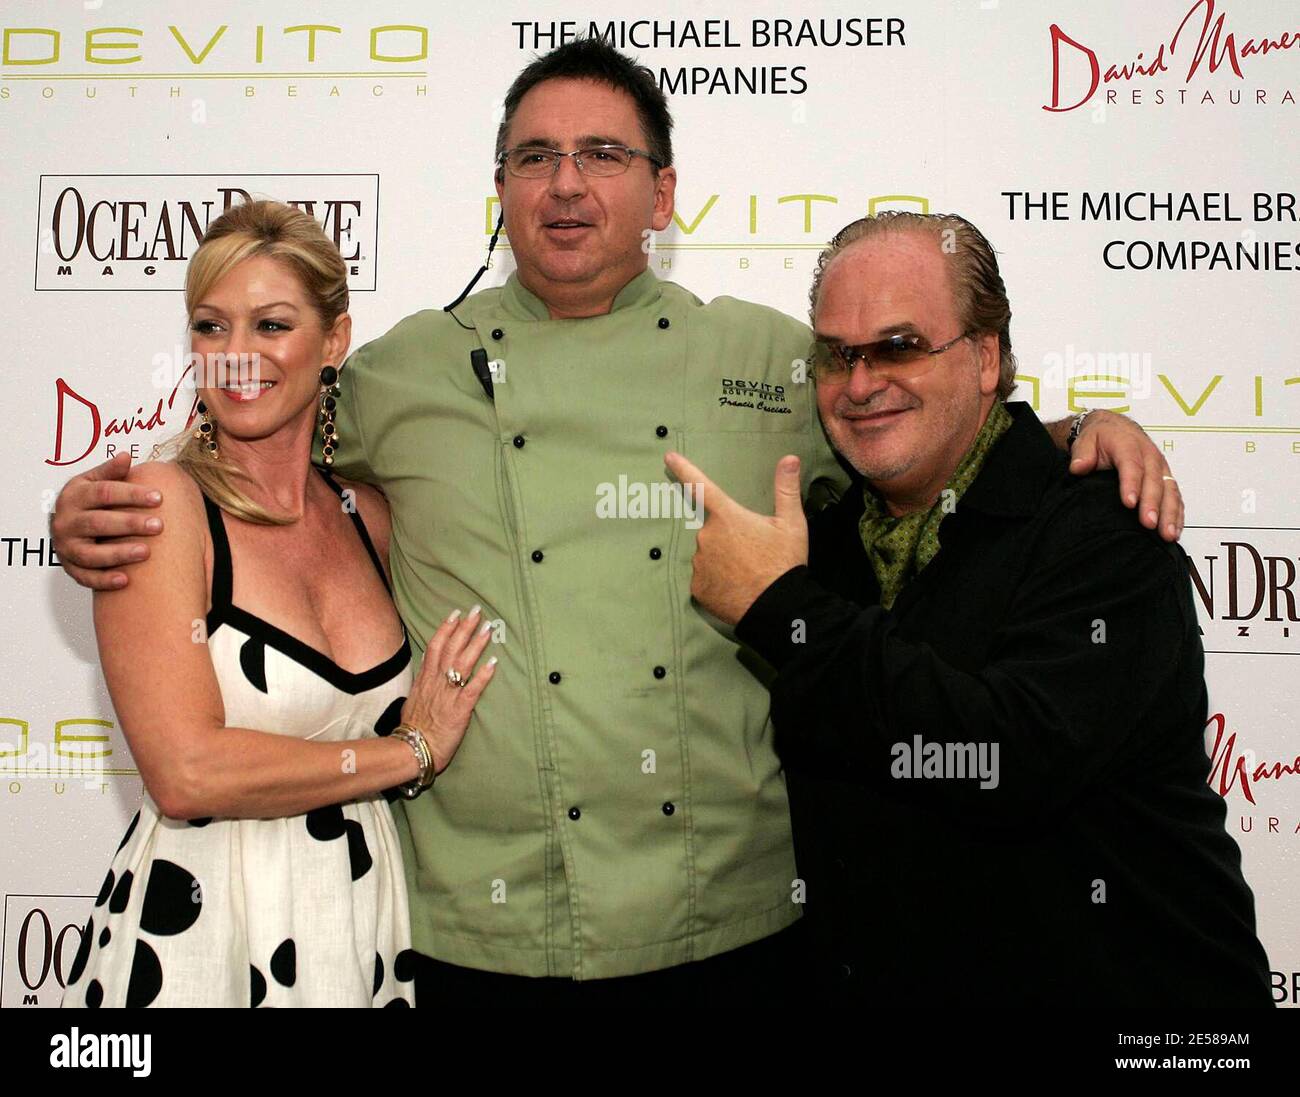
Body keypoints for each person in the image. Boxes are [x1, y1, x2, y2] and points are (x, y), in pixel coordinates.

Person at [51, 39, 1183, 1005]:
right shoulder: (401, 372)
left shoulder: (761, 356)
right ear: (497, 188)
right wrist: (83, 504)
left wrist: (1086, 422)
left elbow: (905, 399)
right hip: (471, 934)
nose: (565, 184)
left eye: (603, 154)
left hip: (730, 928)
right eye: (533, 157)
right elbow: (259, 464)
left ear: (665, 190)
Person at [665, 210, 1272, 1006]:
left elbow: (1005, 758)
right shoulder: (830, 540)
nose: (858, 383)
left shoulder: (1104, 527)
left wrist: (782, 607)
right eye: (835, 354)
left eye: (899, 346)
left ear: (986, 356)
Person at [60, 200, 496, 1007]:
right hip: (203, 927)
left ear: (333, 342)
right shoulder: (161, 505)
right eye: (211, 326)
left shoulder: (370, 515)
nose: (234, 356)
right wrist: (413, 751)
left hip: (357, 918)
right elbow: (186, 771)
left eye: (270, 326)